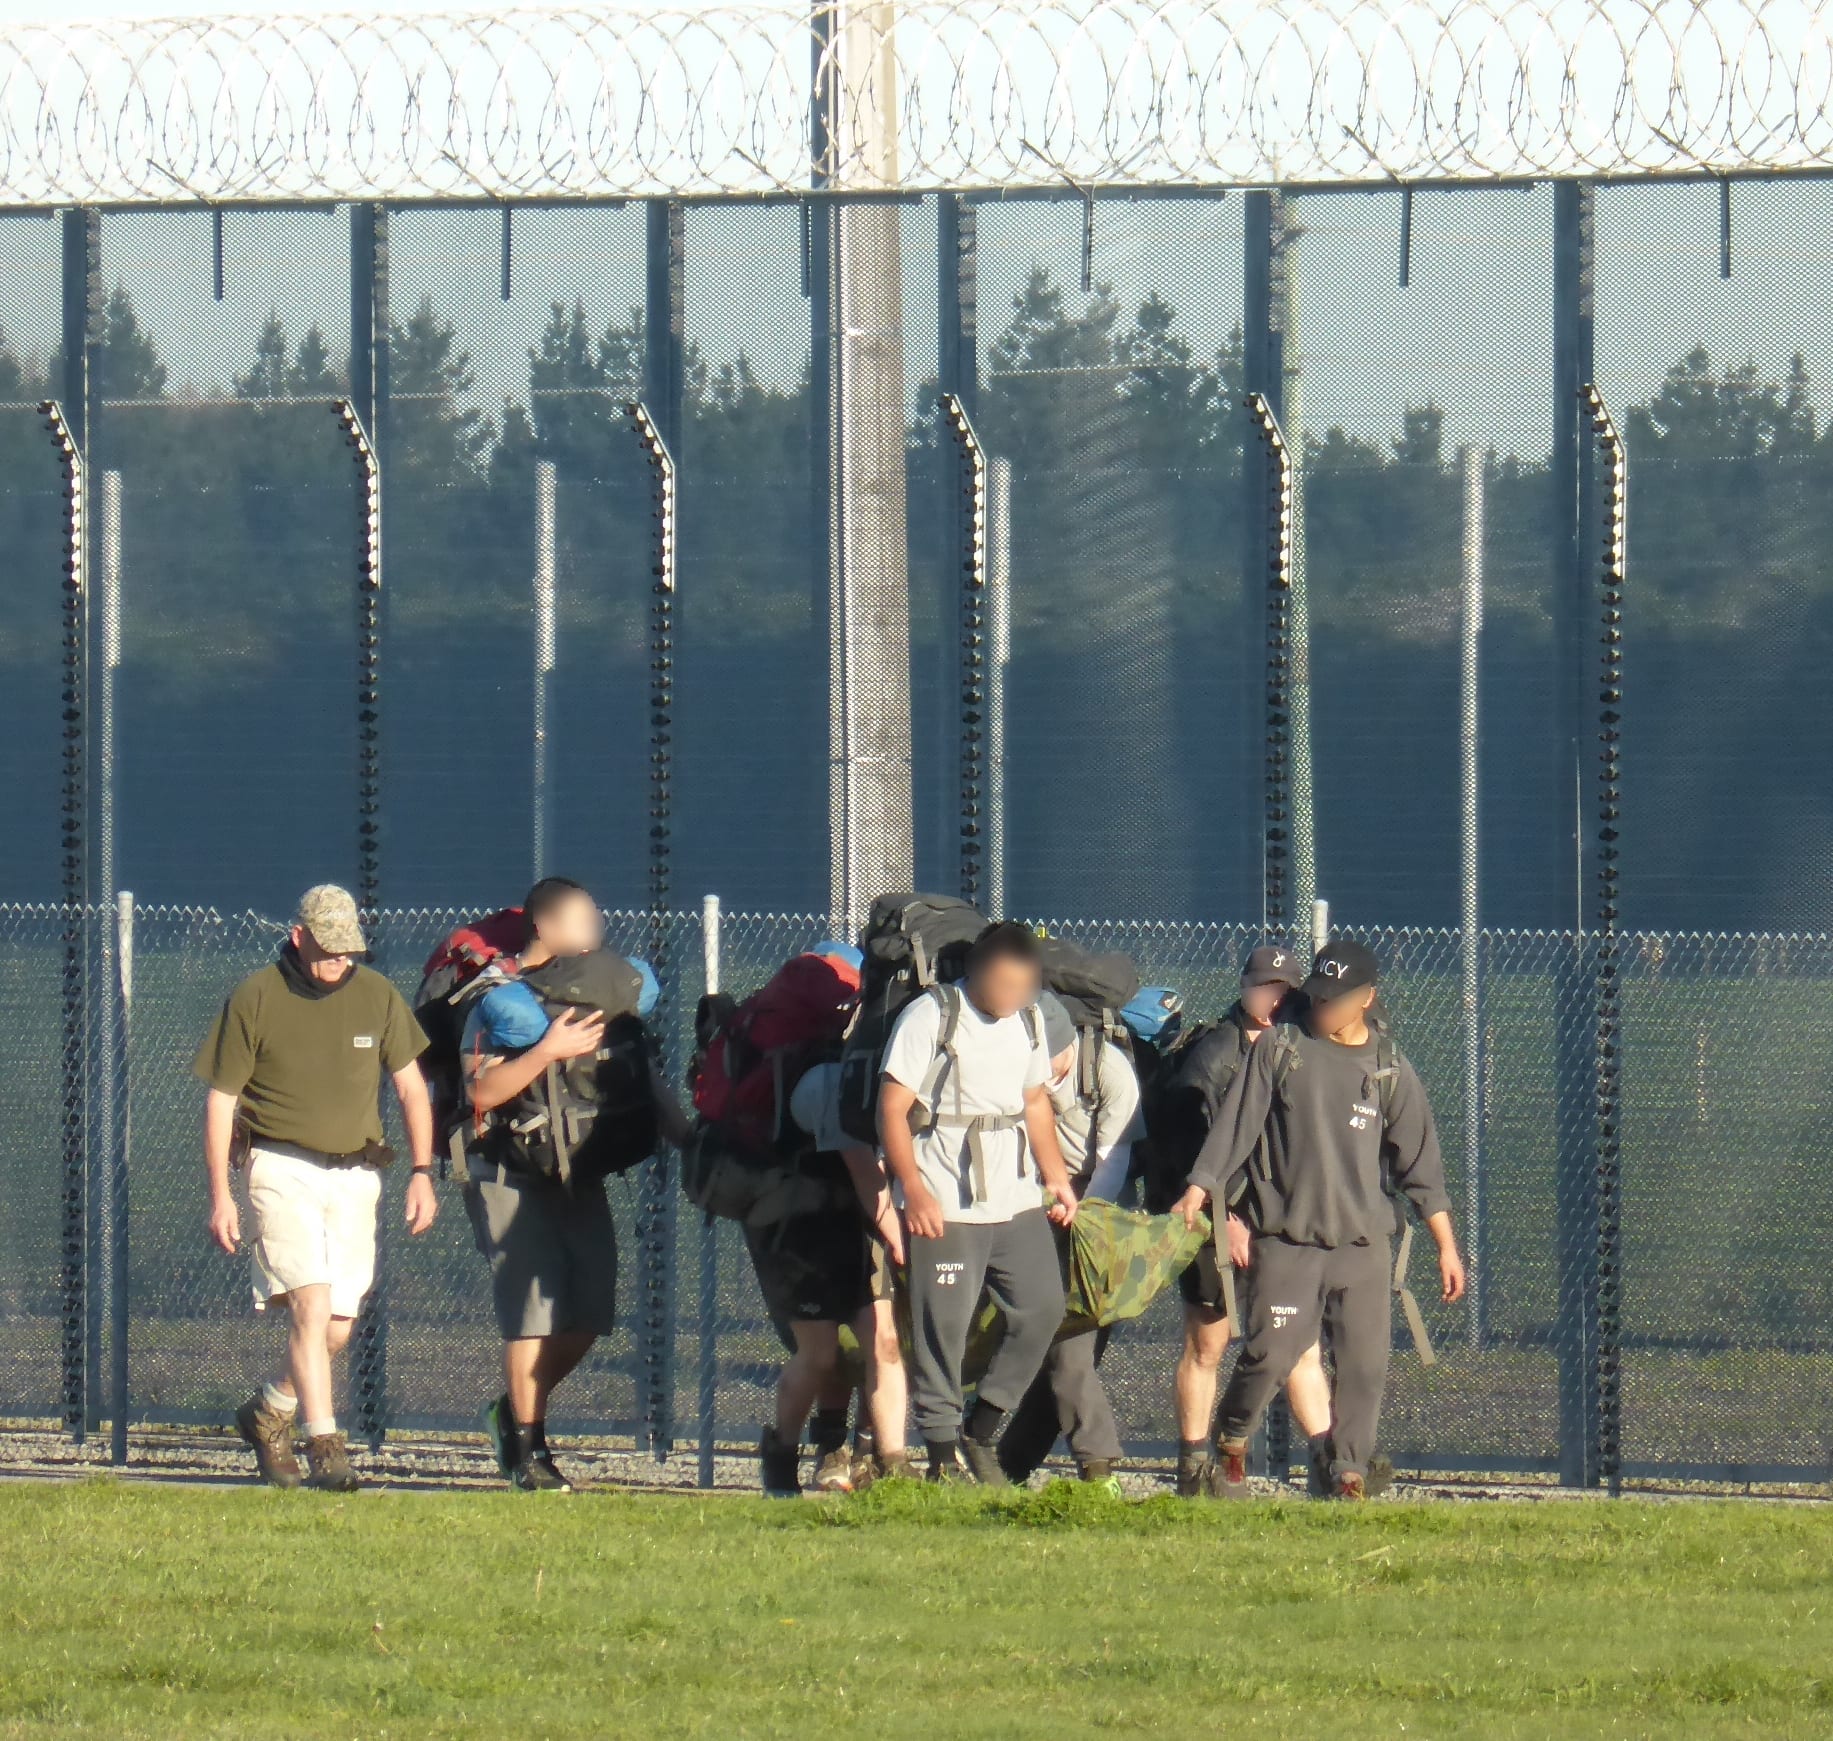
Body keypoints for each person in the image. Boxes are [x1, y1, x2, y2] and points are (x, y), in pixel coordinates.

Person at [1174, 938, 1467, 1499]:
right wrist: (1199, 1190)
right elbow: (1235, 1128)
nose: (1321, 1007)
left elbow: (1421, 1168)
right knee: (1270, 1356)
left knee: (1362, 1371)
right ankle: (1233, 1431)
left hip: (1362, 1249)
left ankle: (1348, 1476)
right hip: (1289, 1243)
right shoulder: (1282, 1049)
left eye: (1335, 999)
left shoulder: (1388, 1069)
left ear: (1366, 999)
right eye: (1317, 995)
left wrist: (1446, 1247)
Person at [197, 884, 439, 1492]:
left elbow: (411, 1088)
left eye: (349, 951)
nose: (340, 962)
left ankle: (270, 1411)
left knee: (336, 1326)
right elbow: (222, 1098)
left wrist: (421, 1173)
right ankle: (327, 1448)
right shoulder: (256, 995)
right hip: (279, 1167)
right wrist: (221, 1194)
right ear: (299, 936)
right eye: (329, 950)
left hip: (357, 1173)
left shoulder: (376, 995)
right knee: (309, 1303)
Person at [462, 877, 686, 1491]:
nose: (597, 931)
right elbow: (479, 1093)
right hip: (507, 1169)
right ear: (545, 928)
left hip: (578, 1169)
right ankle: (529, 1452)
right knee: (532, 1315)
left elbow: (641, 1076)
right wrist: (545, 1051)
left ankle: (510, 1413)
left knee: (588, 1314)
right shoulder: (499, 995)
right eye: (583, 920)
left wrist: (687, 1138)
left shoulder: (602, 990)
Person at [878, 921, 1078, 1485]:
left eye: (1024, 986)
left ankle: (981, 1430)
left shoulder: (1033, 1019)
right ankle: (942, 1459)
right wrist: (913, 1190)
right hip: (945, 1199)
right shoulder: (931, 1014)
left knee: (1042, 1309)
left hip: (1014, 1199)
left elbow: (1034, 1100)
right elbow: (892, 1108)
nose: (1013, 996)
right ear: (976, 972)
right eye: (1004, 984)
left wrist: (1056, 1176)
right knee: (944, 1330)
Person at [1156, 945, 1335, 1498]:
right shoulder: (1213, 1057)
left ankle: (1330, 1468)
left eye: (1285, 988)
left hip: (1281, 1223)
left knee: (1299, 1346)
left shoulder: (1302, 1050)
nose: (1275, 998)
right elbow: (1194, 1155)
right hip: (1218, 1222)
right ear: (1244, 989)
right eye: (1265, 987)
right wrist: (1225, 1219)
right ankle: (1194, 1469)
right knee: (1207, 1344)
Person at [754, 1029, 912, 1497]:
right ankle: (780, 1454)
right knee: (820, 1355)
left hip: (861, 1227)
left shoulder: (896, 1067)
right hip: (806, 1227)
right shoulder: (828, 1079)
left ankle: (893, 1464)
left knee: (884, 1342)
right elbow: (862, 1167)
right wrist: (898, 1232)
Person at [994, 990, 1139, 1490]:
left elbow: (1115, 1157)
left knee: (1070, 1347)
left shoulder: (1109, 1069)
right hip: (1019, 1205)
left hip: (1092, 1212)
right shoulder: (1007, 1063)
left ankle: (1079, 1469)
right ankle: (1011, 1464)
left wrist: (1081, 1212)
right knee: (1053, 1346)